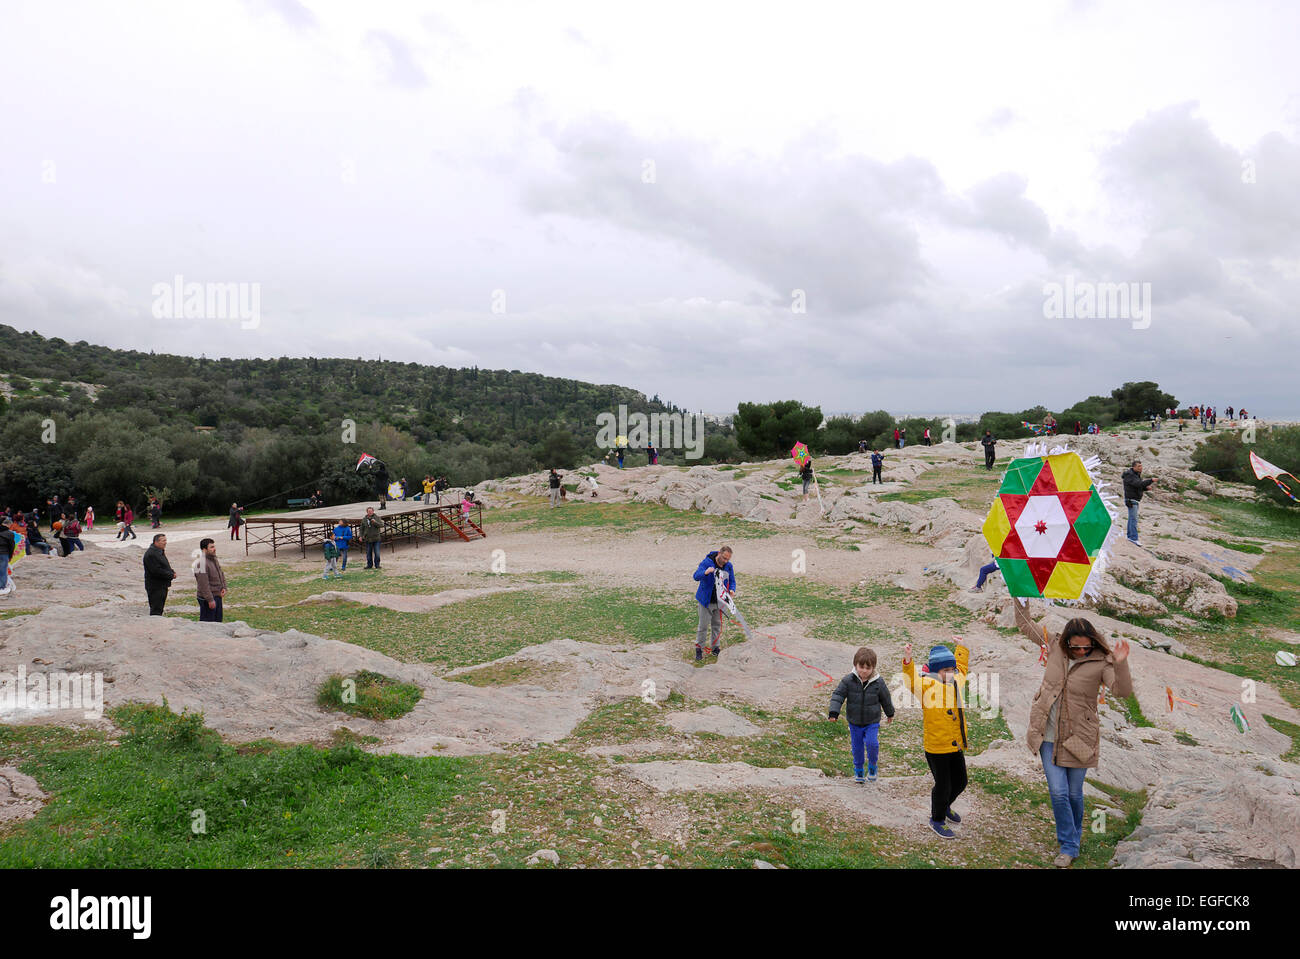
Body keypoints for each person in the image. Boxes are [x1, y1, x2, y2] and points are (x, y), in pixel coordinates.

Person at [1015, 601, 1132, 867]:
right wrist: (1020, 598)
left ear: (1093, 643)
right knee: (1058, 792)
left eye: (1085, 647)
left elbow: (1121, 692)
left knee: (1074, 794)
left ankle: (1073, 838)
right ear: (1066, 641)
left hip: (1079, 737)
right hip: (1046, 734)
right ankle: (1068, 846)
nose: (1080, 651)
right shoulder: (1054, 644)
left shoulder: (1102, 662)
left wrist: (1121, 664)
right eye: (1075, 646)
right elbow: (1024, 624)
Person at [902, 638, 971, 838]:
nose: (950, 674)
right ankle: (937, 819)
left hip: (955, 744)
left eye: (952, 669)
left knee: (961, 782)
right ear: (935, 671)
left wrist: (962, 648)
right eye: (945, 671)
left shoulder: (956, 680)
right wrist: (908, 660)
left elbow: (963, 668)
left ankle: (946, 805)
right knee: (943, 785)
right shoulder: (925, 686)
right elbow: (910, 681)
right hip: (936, 747)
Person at [828, 646, 896, 783]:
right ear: (855, 665)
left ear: (873, 668)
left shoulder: (878, 682)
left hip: (872, 721)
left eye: (868, 668)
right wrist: (834, 712)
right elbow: (838, 695)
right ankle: (858, 771)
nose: (864, 671)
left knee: (872, 744)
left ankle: (872, 766)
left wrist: (890, 713)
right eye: (861, 667)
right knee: (857, 748)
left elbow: (886, 698)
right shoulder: (848, 680)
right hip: (854, 722)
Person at [692, 546, 734, 662]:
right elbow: (696, 576)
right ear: (719, 553)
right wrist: (706, 572)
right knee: (703, 627)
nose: (725, 561)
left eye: (728, 559)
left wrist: (732, 590)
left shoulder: (728, 566)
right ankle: (699, 650)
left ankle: (715, 648)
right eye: (724, 558)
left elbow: (733, 581)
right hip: (706, 601)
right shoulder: (707, 562)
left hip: (720, 602)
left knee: (717, 625)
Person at [193, 537, 227, 623]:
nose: (214, 549)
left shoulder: (213, 559)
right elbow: (203, 584)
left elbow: (221, 574)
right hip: (207, 599)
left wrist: (223, 587)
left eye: (214, 546)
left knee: (217, 622)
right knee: (208, 624)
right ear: (204, 549)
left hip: (217, 595)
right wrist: (210, 600)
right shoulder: (200, 563)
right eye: (211, 547)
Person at [1121, 460, 1155, 546]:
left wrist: (1146, 488)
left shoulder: (1135, 475)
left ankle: (1130, 536)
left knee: (1132, 518)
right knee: (1134, 519)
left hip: (1134, 500)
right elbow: (1138, 484)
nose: (1141, 468)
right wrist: (1151, 480)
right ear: (1134, 467)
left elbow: (1137, 487)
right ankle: (1133, 538)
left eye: (1141, 466)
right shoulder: (1130, 475)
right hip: (1131, 500)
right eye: (1139, 466)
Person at [143, 533, 176, 616]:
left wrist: (171, 571)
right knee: (156, 610)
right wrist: (171, 575)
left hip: (161, 585)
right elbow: (156, 571)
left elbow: (163, 565)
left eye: (166, 540)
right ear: (156, 542)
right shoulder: (151, 554)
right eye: (163, 541)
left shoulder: (158, 551)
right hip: (155, 586)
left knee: (159, 608)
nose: (165, 542)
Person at [0, 517, 15, 596]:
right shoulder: (10, 533)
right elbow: (11, 546)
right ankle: (1, 587)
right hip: (3, 553)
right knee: (3, 571)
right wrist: (10, 556)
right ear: (8, 524)